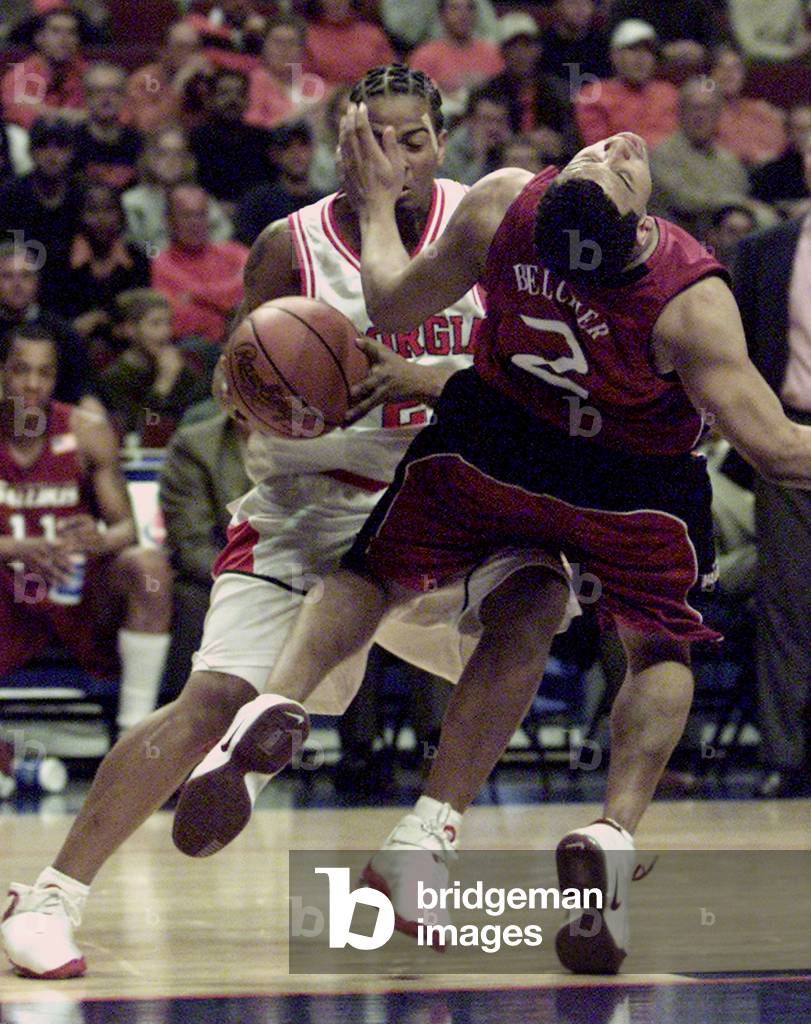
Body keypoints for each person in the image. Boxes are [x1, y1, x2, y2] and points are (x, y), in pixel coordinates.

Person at [169, 114, 811, 977]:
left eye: (609, 158)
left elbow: (390, 303)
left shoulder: (504, 202)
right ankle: (608, 830)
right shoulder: (689, 299)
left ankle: (276, 709)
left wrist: (369, 210)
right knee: (654, 643)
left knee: (375, 568)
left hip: (494, 442)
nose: (616, 143)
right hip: (629, 482)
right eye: (601, 157)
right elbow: (775, 451)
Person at [1, 64, 567, 981]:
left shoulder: (489, 226)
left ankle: (422, 846)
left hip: (444, 509)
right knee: (211, 701)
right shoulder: (285, 246)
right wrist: (282, 394)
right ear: (341, 144)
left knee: (537, 594)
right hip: (314, 515)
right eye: (371, 138)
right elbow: (238, 380)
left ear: (441, 139)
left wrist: (426, 380)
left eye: (412, 138)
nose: (394, 158)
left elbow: (536, 377)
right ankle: (50, 896)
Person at [0, 325, 172, 740]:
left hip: (75, 592)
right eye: (21, 371)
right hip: (6, 590)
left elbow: (128, 527)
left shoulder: (86, 429)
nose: (33, 384)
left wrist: (99, 538)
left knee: (147, 568)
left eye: (45, 373)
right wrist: (21, 548)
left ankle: (133, 737)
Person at [733, 169, 811, 799]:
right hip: (785, 438)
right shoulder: (765, 250)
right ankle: (785, 756)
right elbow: (740, 355)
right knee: (785, 602)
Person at [158, 405, 251, 698]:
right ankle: (182, 727)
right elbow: (192, 545)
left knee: (348, 593)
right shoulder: (196, 445)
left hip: (296, 573)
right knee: (193, 600)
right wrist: (252, 583)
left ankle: (360, 742)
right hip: (220, 576)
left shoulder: (315, 442)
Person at [97, 289, 209, 446]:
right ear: (130, 329)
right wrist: (163, 384)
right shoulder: (114, 378)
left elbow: (200, 416)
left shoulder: (181, 367)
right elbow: (141, 430)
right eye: (155, 324)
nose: (165, 332)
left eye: (168, 323)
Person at [0, 116, 83, 313]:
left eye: (60, 146)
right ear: (30, 151)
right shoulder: (10, 195)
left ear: (71, 152)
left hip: (75, 296)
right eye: (43, 145)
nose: (52, 154)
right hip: (19, 298)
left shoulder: (84, 195)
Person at [151, 184, 248, 345]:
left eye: (201, 215)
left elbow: (257, 287)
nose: (195, 222)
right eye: (186, 215)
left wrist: (195, 294)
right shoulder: (161, 264)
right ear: (168, 220)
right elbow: (177, 322)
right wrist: (229, 303)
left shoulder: (234, 252)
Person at [0, 241, 91, 406]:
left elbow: (79, 391)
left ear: (37, 282)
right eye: (7, 276)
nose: (17, 284)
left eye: (25, 276)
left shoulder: (63, 334)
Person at [122, 126, 233, 255]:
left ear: (188, 161)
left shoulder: (199, 198)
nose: (171, 160)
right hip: (154, 267)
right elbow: (141, 245)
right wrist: (164, 259)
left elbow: (223, 234)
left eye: (178, 154)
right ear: (149, 158)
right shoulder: (133, 203)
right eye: (163, 153)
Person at [575, 19, 678, 150]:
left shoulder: (669, 93)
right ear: (615, 56)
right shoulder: (593, 95)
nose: (641, 58)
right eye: (633, 49)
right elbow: (600, 151)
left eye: (647, 51)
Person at [189, 68, 273, 206]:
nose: (232, 100)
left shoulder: (262, 139)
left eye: (239, 94)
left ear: (247, 100)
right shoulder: (197, 139)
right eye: (224, 93)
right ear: (210, 99)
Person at [235, 120, 322, 246]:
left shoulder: (325, 204)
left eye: (302, 145)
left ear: (312, 151)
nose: (296, 153)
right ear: (274, 155)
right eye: (287, 147)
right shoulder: (257, 203)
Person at [410, 0, 503, 113]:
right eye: (455, 9)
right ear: (442, 15)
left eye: (469, 8)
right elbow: (416, 103)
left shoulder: (491, 54)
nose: (463, 15)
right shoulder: (424, 56)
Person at [0, 8, 87, 129]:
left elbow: (118, 111)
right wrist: (71, 116)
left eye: (71, 32)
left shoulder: (87, 73)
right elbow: (21, 114)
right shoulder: (19, 75)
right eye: (55, 31)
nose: (64, 39)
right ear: (39, 38)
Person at [710, 45, 786, 168]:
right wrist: (752, 155)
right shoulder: (704, 112)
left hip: (767, 174)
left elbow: (779, 144)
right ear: (711, 74)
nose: (729, 73)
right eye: (722, 67)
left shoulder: (758, 109)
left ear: (743, 75)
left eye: (736, 68)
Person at [126, 22, 210, 135]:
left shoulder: (203, 78)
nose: (191, 55)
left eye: (194, 48)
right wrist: (180, 83)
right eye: (182, 47)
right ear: (163, 51)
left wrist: (212, 84)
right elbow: (146, 126)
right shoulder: (145, 79)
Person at [72, 62, 143, 192]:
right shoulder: (70, 143)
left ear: (124, 97)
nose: (106, 99)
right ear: (86, 97)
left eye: (114, 91)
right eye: (98, 91)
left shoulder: (139, 144)